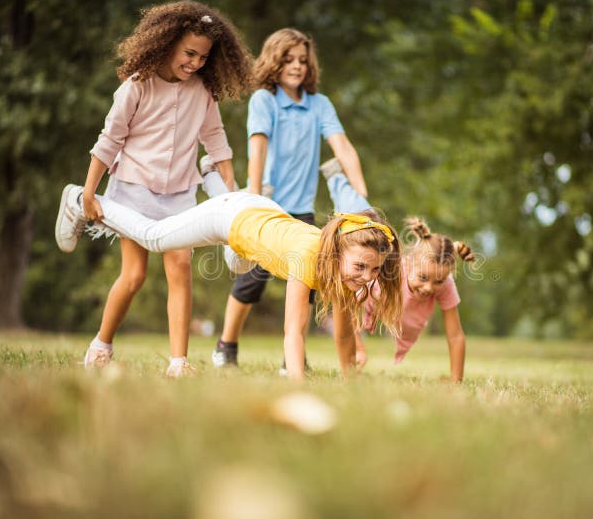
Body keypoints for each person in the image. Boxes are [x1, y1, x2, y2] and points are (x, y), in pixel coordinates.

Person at [56, 0, 253, 377]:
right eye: (189, 53)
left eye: (203, 57)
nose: (195, 62)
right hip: (134, 190)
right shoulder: (137, 86)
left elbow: (217, 143)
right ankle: (102, 343)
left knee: (180, 270)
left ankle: (178, 362)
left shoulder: (202, 91)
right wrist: (88, 192)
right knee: (134, 276)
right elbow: (109, 140)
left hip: (180, 193)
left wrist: (229, 199)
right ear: (167, 42)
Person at [55, 180, 402, 380]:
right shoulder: (307, 257)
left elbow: (342, 331)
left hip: (260, 215)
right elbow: (293, 332)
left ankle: (213, 179)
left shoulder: (343, 270)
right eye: (361, 267)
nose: (368, 277)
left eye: (374, 270)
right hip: (231, 216)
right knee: (155, 237)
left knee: (238, 264)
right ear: (339, 250)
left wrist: (349, 379)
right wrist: (298, 387)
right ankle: (81, 199)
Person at [206, 28, 368, 369]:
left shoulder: (319, 105)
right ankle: (226, 345)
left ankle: (291, 359)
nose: (297, 66)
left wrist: (361, 200)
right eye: (289, 59)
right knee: (252, 282)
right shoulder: (264, 100)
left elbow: (343, 148)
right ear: (273, 62)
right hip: (267, 207)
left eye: (303, 61)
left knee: (308, 285)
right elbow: (258, 147)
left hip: (303, 213)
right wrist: (253, 198)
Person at [321, 160, 474, 383]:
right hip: (366, 226)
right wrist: (359, 348)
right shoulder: (383, 274)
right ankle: (336, 177)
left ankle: (344, 184)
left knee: (357, 210)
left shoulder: (445, 282)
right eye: (423, 277)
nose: (429, 287)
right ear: (409, 264)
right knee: (355, 209)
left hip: (372, 235)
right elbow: (348, 307)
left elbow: (456, 335)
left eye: (438, 281)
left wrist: (455, 381)